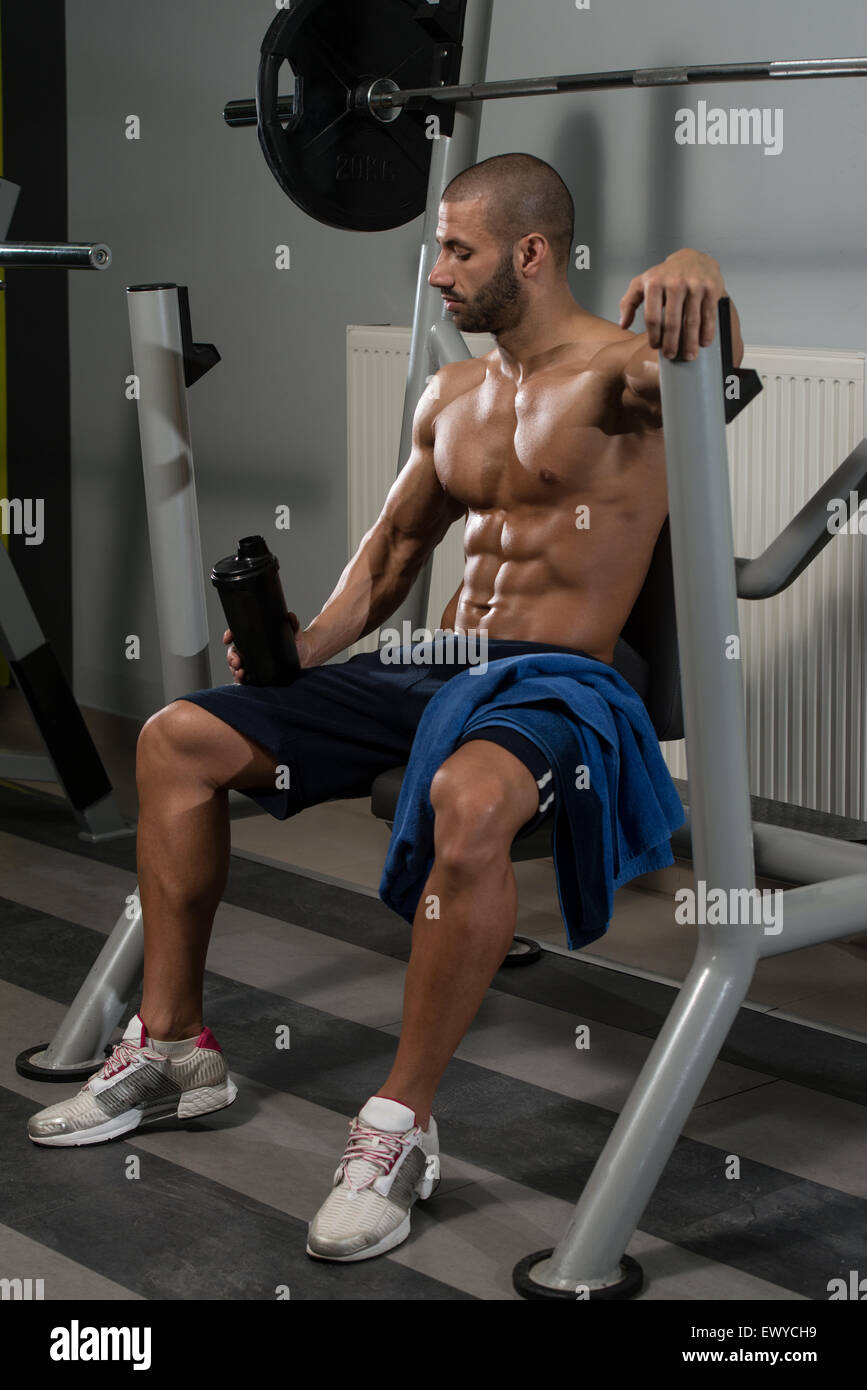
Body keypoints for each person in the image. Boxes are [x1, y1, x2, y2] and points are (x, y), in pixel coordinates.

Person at [28, 152, 743, 1264]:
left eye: (458, 251)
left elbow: (715, 368)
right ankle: (173, 1052)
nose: (437, 275)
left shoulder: (625, 375)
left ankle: (397, 1127)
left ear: (532, 253)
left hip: (559, 681)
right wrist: (294, 651)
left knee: (466, 799)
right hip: (437, 661)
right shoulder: (451, 394)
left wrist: (705, 275)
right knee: (178, 741)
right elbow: (393, 556)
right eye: (436, 251)